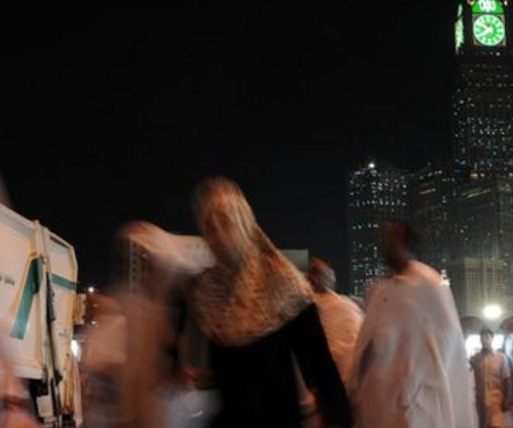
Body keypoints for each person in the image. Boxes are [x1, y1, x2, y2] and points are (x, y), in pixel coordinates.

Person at [187, 177, 351, 427]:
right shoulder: (208, 294)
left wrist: (339, 416)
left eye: (226, 224)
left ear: (245, 225)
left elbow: (319, 363)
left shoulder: (283, 284)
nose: (218, 236)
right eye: (210, 228)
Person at [349, 220, 476, 427]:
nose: (386, 244)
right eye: (385, 238)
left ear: (406, 243)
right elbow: (366, 344)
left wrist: (416, 379)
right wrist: (355, 387)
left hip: (422, 400)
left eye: (392, 238)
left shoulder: (430, 283)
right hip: (382, 402)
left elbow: (448, 341)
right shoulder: (381, 291)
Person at [307, 257, 364, 388]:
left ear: (310, 282)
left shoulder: (307, 310)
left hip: (327, 385)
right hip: (356, 381)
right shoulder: (349, 304)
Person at [469, 328, 510, 428]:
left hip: (496, 403)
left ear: (492, 338)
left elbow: (506, 380)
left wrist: (507, 400)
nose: (484, 340)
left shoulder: (501, 358)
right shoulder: (475, 359)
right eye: (482, 338)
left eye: (487, 337)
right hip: (480, 404)